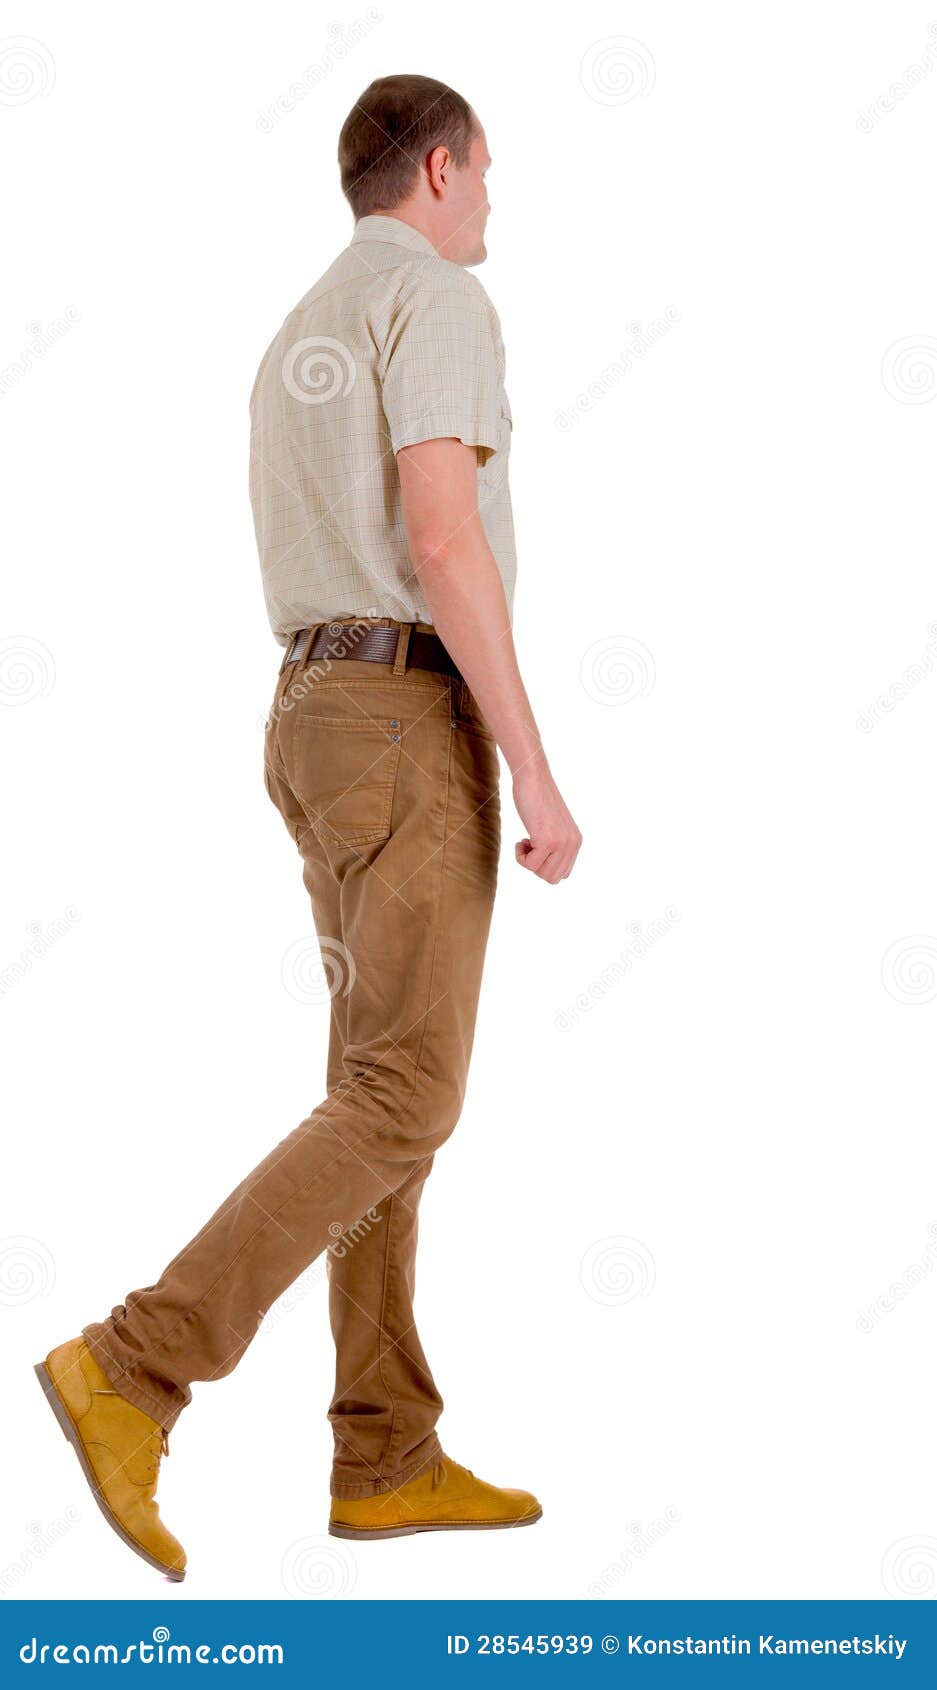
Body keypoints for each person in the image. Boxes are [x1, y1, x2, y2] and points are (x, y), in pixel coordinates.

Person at [35, 73, 581, 1580]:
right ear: (446, 168)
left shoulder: (303, 327)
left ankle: (383, 1445)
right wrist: (528, 759)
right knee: (405, 1094)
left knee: (373, 1092)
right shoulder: (440, 304)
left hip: (316, 717)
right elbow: (440, 533)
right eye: (489, 173)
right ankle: (133, 1364)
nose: (493, 200)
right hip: (405, 720)